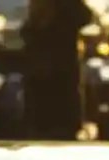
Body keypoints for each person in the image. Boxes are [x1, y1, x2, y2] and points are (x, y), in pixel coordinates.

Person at [20, 0, 93, 140]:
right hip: (58, 73)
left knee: (46, 123)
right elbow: (85, 16)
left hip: (50, 74)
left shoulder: (46, 14)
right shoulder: (65, 10)